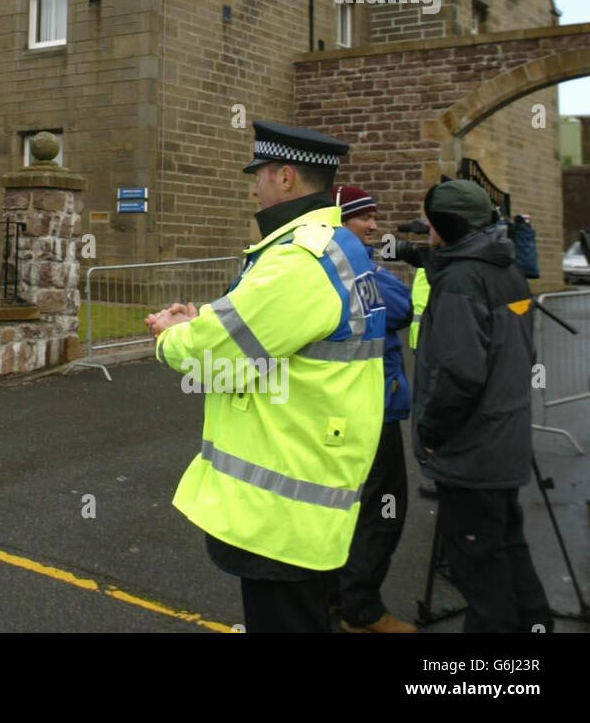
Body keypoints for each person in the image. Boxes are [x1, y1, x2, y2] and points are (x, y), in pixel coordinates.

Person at [147, 120, 385, 632]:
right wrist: (206, 320)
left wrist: (171, 335)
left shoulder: (299, 259)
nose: (252, 187)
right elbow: (261, 329)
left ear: (285, 177)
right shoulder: (333, 243)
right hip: (308, 484)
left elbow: (216, 356)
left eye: (258, 175)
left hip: (283, 512)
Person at [413, 179, 553, 633]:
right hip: (504, 438)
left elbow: (459, 372)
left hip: (472, 450)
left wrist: (432, 435)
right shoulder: (503, 267)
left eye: (433, 221)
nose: (427, 229)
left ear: (447, 224)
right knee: (507, 546)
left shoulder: (461, 281)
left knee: (479, 568)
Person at [331, 185, 417, 633]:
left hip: (340, 411)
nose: (374, 225)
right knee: (382, 512)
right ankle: (361, 610)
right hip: (372, 411)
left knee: (341, 507)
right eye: (362, 218)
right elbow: (400, 307)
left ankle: (334, 598)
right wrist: (369, 268)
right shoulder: (357, 268)